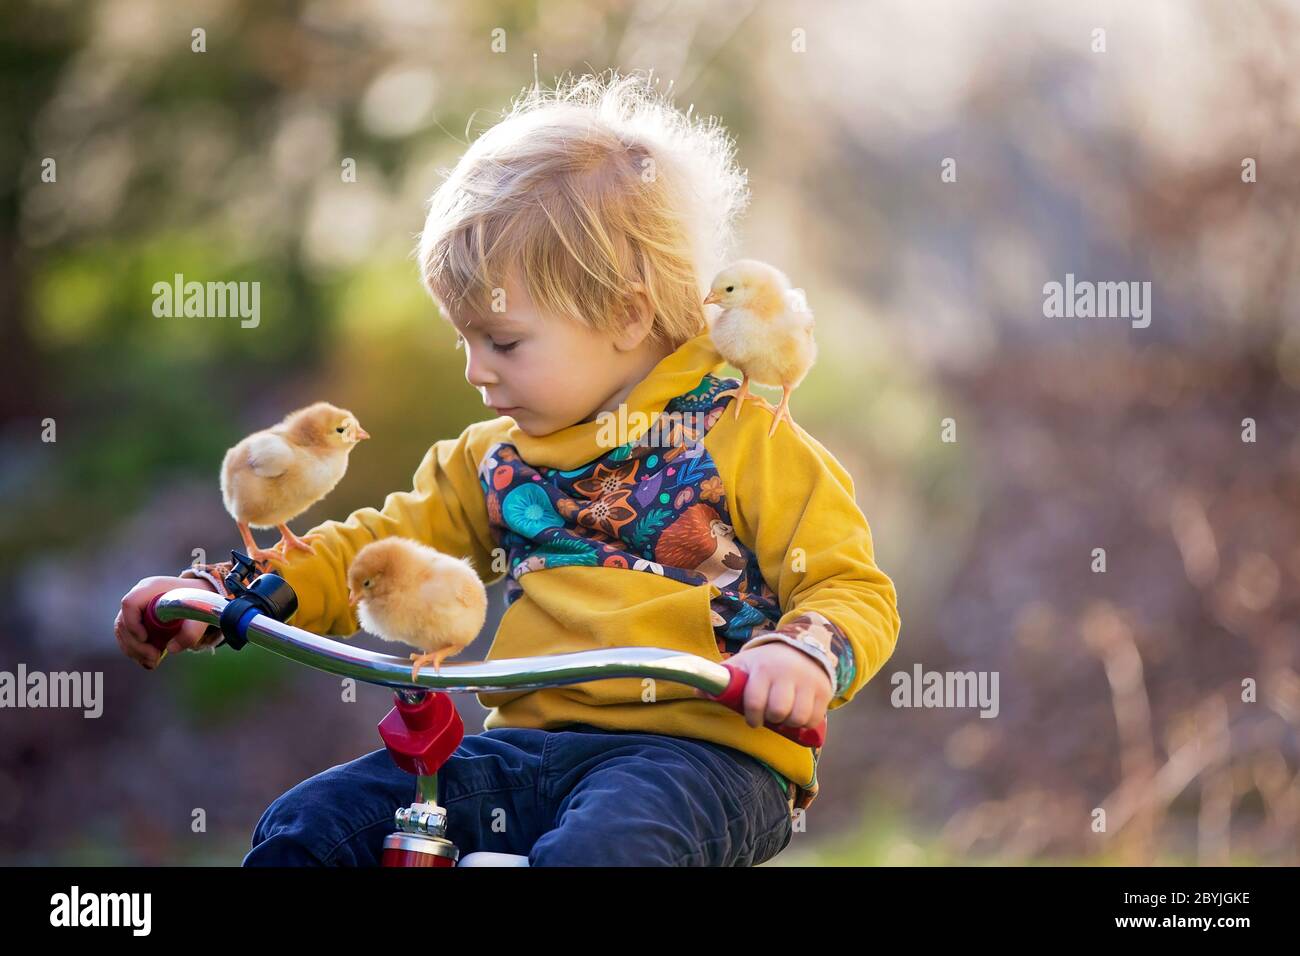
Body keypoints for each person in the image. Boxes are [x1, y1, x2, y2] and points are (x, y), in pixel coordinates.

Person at [115, 71, 901, 866]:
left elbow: (853, 586)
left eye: (504, 341)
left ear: (626, 314)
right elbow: (377, 550)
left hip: (702, 759)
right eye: (465, 340)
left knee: (606, 851)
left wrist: (801, 650)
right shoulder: (491, 460)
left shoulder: (747, 435)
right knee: (314, 828)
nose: (474, 373)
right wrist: (230, 595)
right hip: (527, 754)